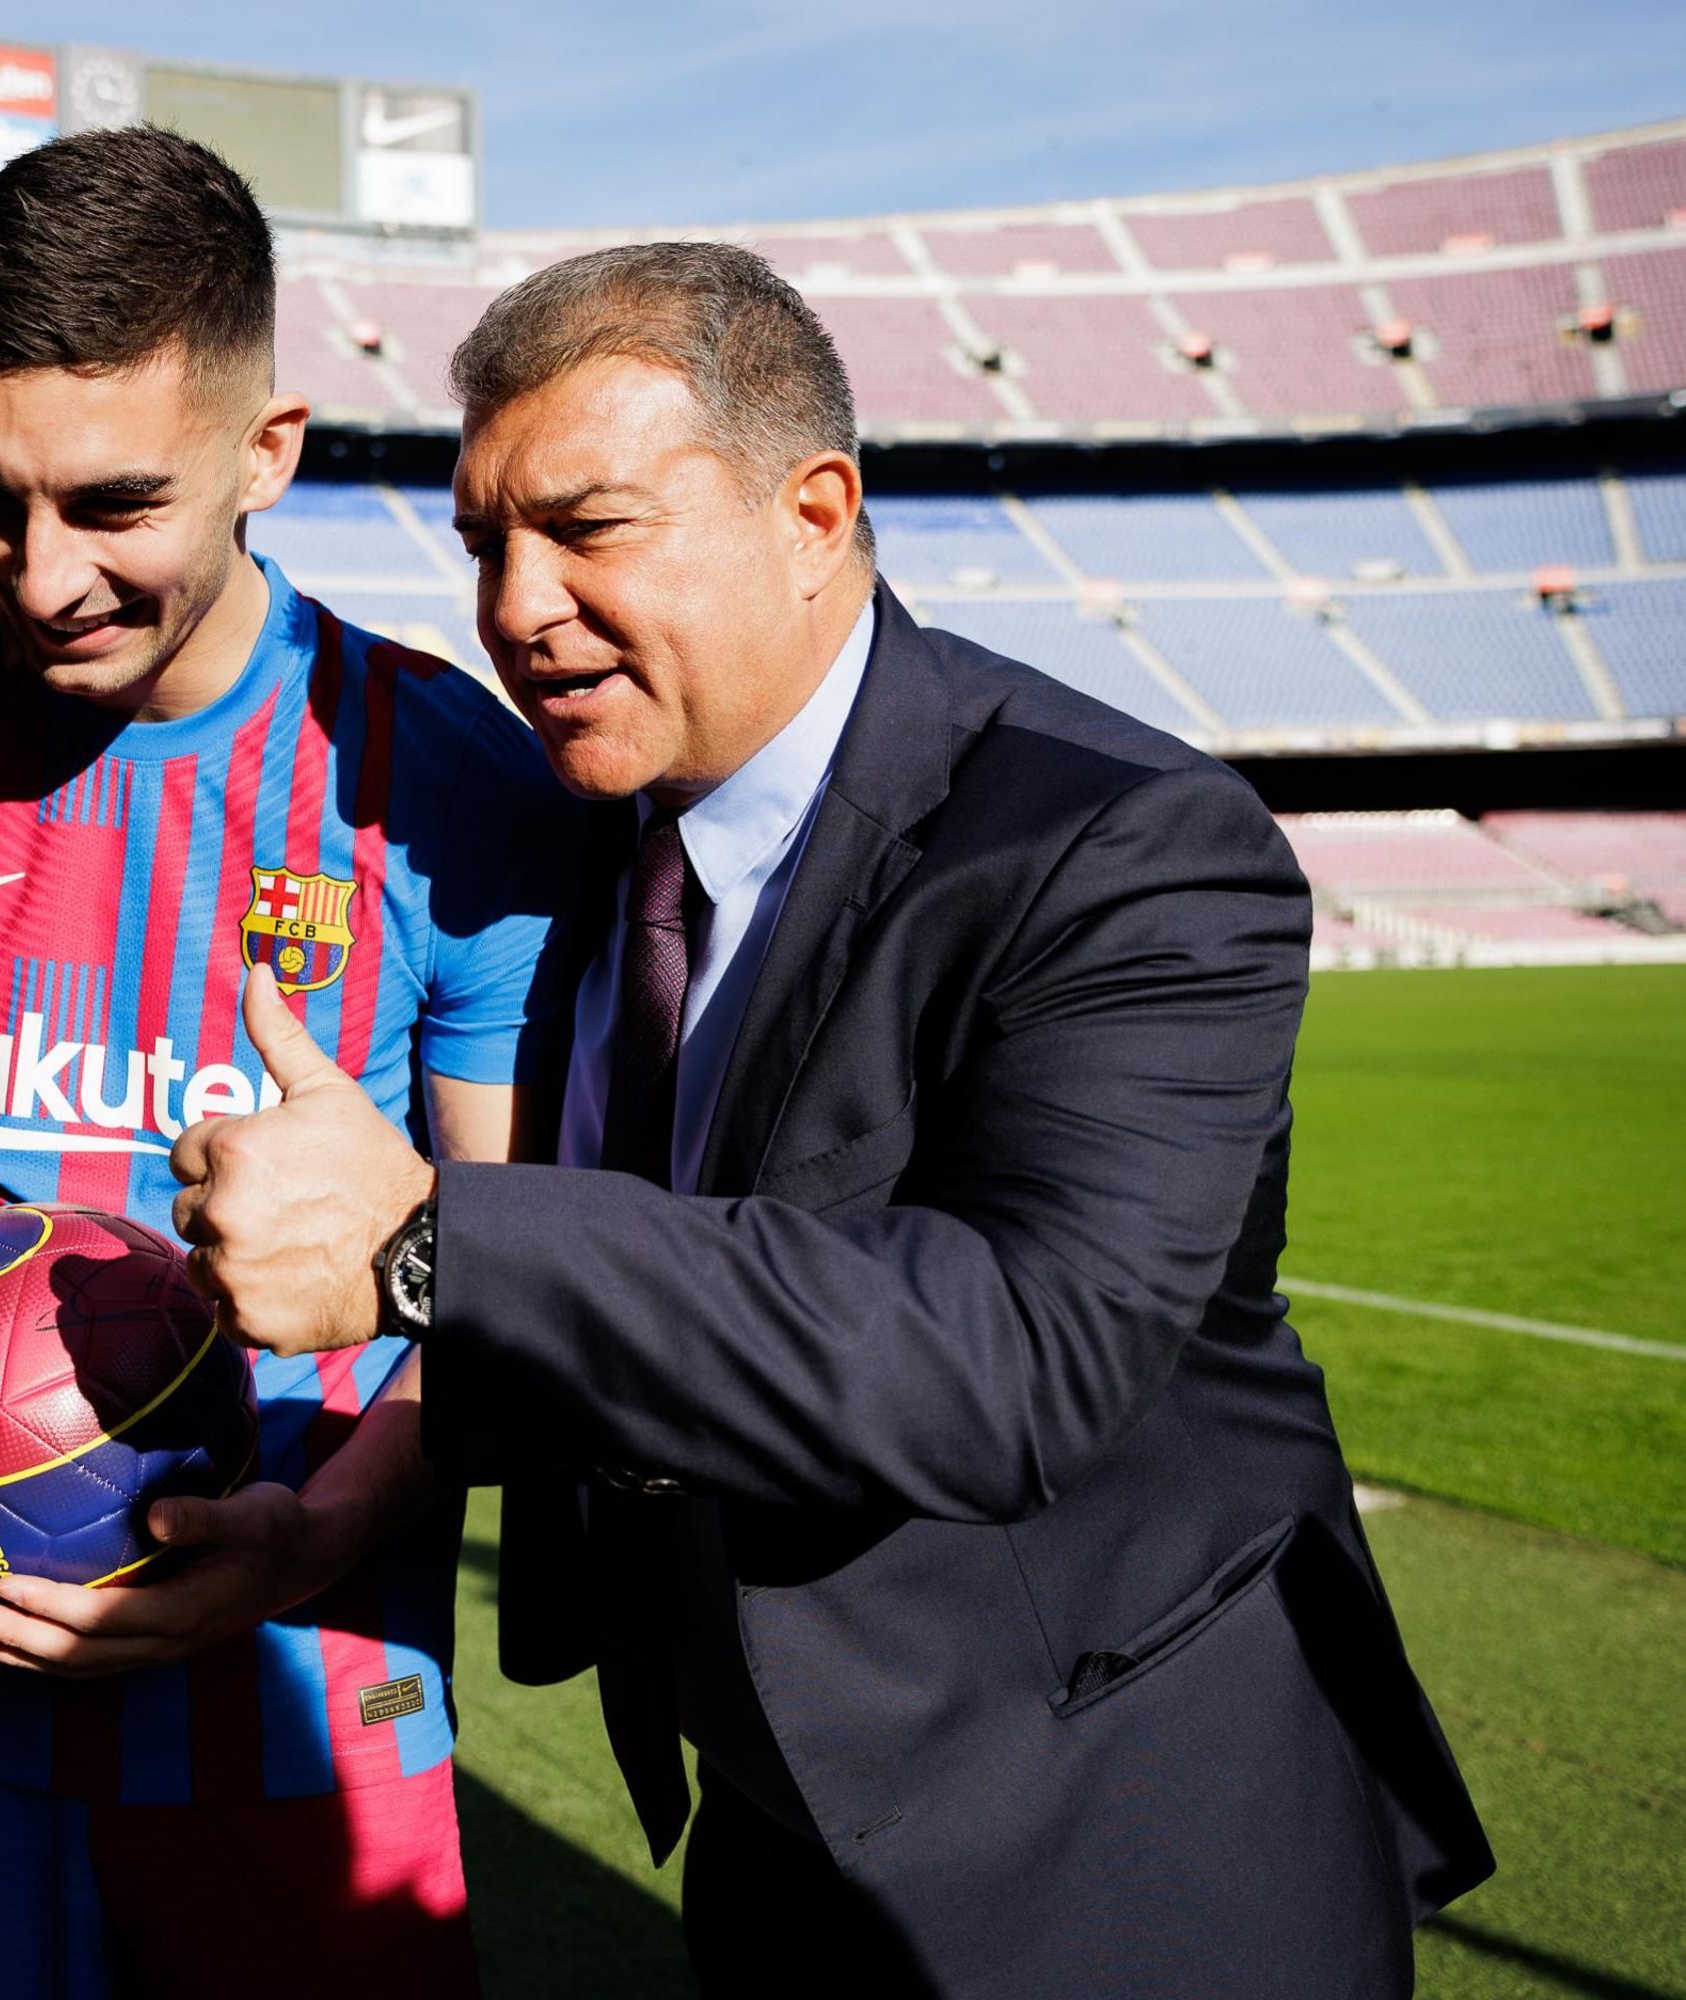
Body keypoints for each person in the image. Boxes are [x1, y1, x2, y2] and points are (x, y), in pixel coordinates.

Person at [168, 243, 1492, 1998]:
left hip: (1114, 1850)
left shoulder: (1125, 846)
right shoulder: (596, 842)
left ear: (813, 515)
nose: (516, 604)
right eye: (485, 543)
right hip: (776, 1824)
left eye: (587, 527)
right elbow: (650, 1302)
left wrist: (434, 1241)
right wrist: (335, 1508)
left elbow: (1020, 1353)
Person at [0, 128, 577, 1999]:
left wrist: (318, 1530)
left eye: (112, 504)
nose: (43, 574)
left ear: (270, 450)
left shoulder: (451, 786)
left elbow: (508, 1278)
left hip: (305, 1700)